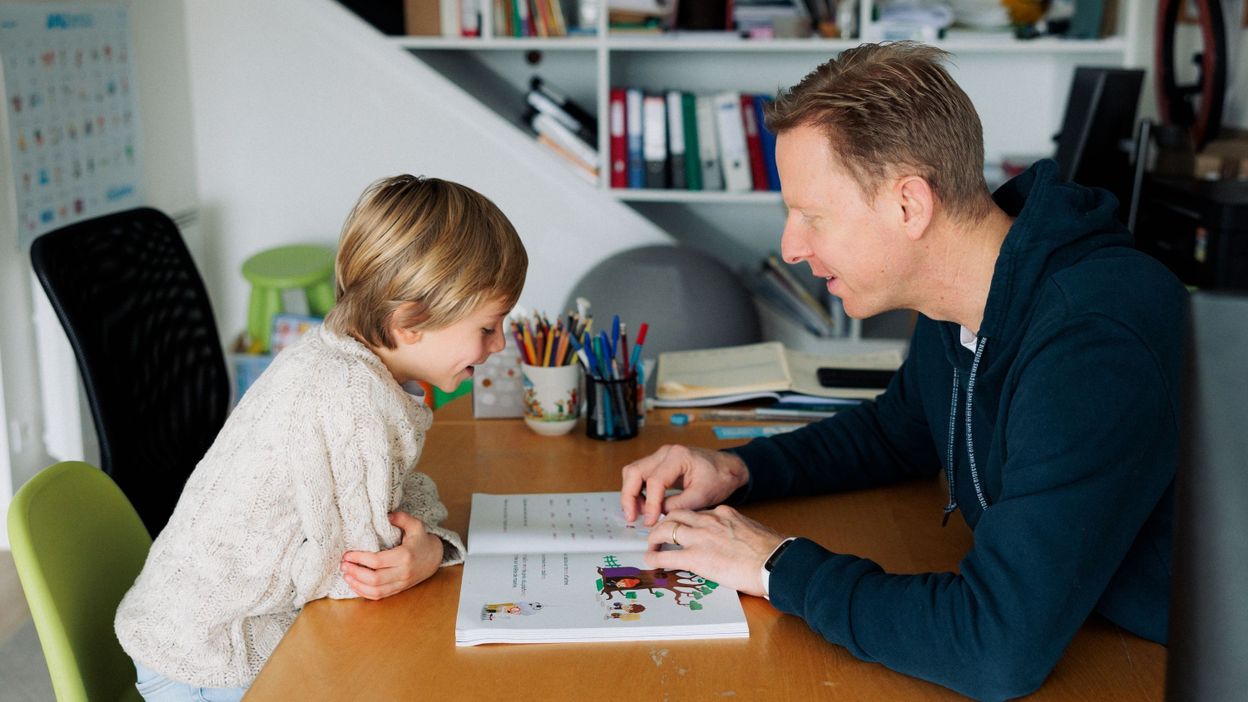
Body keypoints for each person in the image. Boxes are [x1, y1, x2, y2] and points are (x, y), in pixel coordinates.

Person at [620, 42, 1185, 700]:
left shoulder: (1090, 338)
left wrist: (773, 564)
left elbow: (994, 644)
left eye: (812, 216)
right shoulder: (969, 292)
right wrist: (743, 470)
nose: (791, 247)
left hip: (1166, 666)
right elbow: (896, 432)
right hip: (1088, 627)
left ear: (909, 206)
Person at [115, 175, 528, 700]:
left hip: (196, 630)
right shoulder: (354, 397)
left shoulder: (343, 357)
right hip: (210, 656)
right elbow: (365, 570)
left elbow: (394, 494)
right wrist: (430, 552)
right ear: (410, 322)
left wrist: (413, 524)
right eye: (489, 327)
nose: (499, 343)